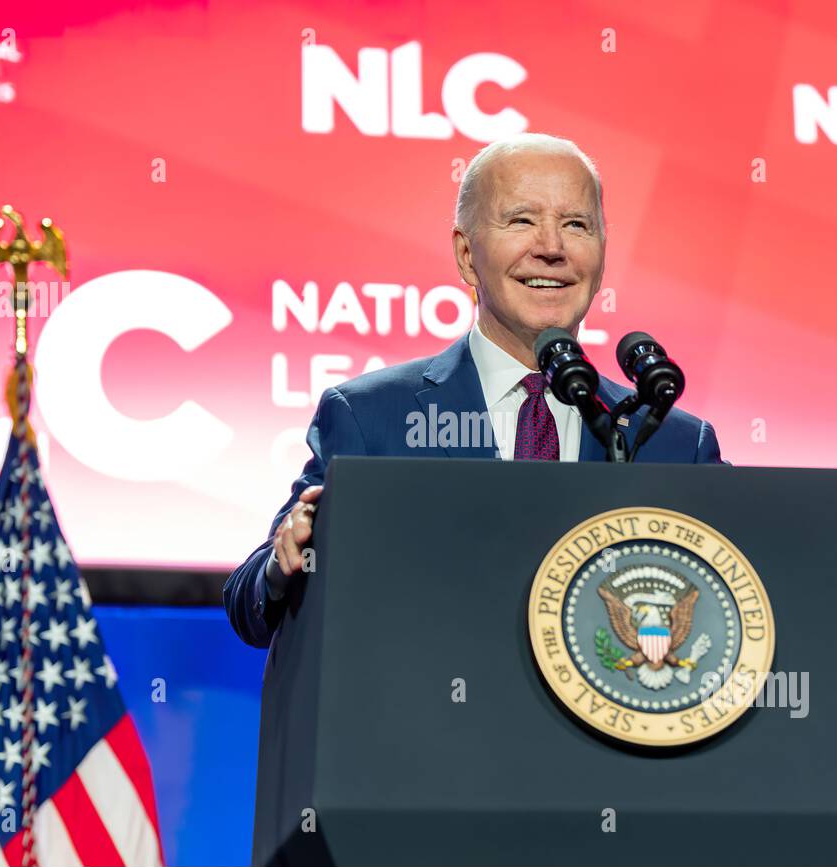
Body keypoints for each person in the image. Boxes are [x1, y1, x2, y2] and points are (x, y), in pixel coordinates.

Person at [224, 133, 724, 649]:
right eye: (522, 220)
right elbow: (249, 606)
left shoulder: (673, 443)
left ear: (601, 257)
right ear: (466, 255)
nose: (551, 248)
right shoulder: (372, 417)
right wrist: (285, 564)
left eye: (576, 225)